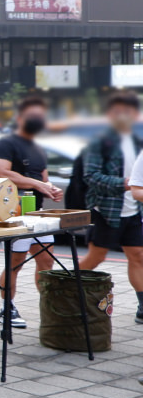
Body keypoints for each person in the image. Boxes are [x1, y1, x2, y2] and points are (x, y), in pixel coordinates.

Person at [0, 97, 63, 329]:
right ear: (20, 118)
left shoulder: (39, 148)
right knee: (15, 263)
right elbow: (0, 172)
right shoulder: (6, 143)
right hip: (13, 212)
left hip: (38, 213)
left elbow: (43, 177)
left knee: (46, 261)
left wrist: (50, 188)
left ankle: (49, 306)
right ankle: (7, 308)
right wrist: (37, 184)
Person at [80, 93, 143, 319]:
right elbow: (91, 176)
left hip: (134, 210)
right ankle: (67, 289)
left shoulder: (137, 141)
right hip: (106, 210)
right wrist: (125, 184)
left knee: (138, 256)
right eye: (118, 111)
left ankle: (142, 308)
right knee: (96, 257)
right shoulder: (100, 141)